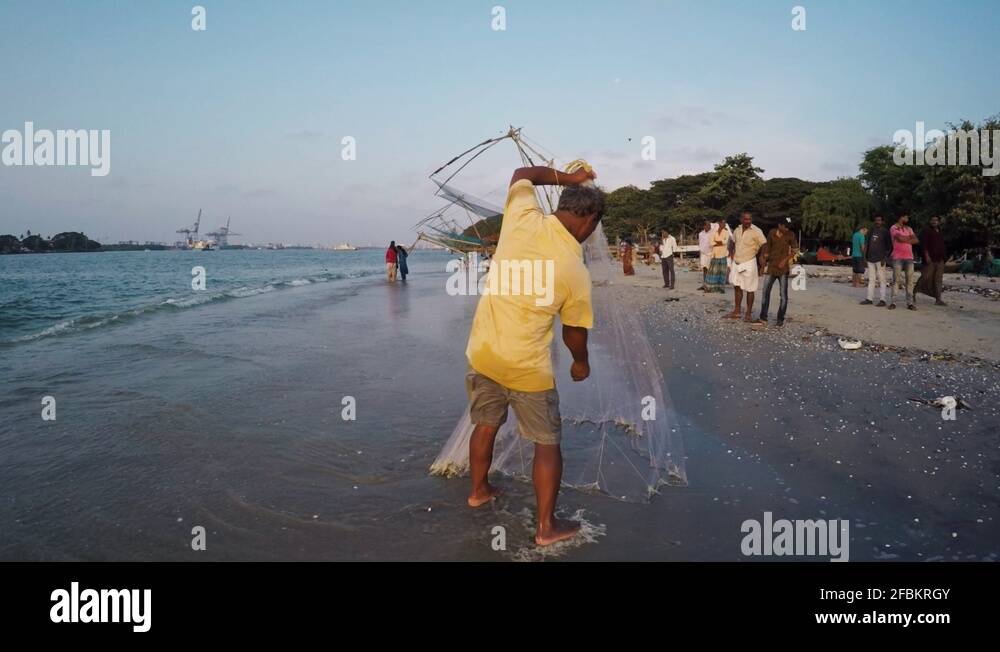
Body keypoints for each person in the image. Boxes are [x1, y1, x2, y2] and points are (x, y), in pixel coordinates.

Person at [464, 164, 603, 547]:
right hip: (527, 368)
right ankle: (545, 528)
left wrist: (572, 178)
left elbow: (522, 171)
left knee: (486, 424)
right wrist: (581, 362)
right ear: (588, 218)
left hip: (484, 352)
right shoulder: (574, 268)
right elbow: (574, 330)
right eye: (594, 226)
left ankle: (479, 491)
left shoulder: (520, 218)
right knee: (546, 442)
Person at [756, 218, 799, 326]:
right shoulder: (772, 233)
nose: (787, 228)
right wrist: (762, 265)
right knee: (765, 292)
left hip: (783, 269)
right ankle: (763, 317)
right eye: (785, 226)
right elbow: (767, 248)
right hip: (771, 267)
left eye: (788, 226)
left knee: (783, 295)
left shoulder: (791, 234)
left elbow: (795, 250)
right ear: (779, 225)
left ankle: (780, 319)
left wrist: (785, 260)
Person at [726, 210, 767, 321]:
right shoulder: (737, 230)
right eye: (746, 219)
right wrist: (730, 255)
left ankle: (748, 313)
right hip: (737, 262)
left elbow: (764, 245)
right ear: (741, 219)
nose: (748, 221)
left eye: (750, 219)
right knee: (737, 287)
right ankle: (737, 311)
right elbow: (732, 242)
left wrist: (762, 260)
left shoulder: (757, 231)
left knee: (750, 289)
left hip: (749, 262)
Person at [889, 213, 919, 310]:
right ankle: (893, 302)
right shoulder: (893, 227)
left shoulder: (909, 228)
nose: (907, 218)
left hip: (909, 257)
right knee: (896, 280)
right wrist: (909, 238)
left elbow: (916, 240)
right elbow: (899, 238)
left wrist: (905, 239)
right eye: (906, 217)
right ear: (901, 217)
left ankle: (910, 303)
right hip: (897, 257)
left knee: (910, 281)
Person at [861, 215, 891, 306]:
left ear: (882, 222)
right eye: (876, 220)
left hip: (880, 259)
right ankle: (869, 299)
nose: (877, 222)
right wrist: (864, 257)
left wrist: (885, 258)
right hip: (870, 258)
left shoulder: (885, 232)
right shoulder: (871, 231)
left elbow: (889, 247)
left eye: (879, 220)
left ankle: (882, 300)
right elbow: (866, 244)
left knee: (882, 279)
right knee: (871, 279)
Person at [917, 216, 947, 306]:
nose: (934, 222)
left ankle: (938, 299)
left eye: (936, 220)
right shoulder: (926, 231)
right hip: (930, 259)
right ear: (930, 221)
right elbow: (923, 244)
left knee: (938, 280)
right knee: (925, 277)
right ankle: (914, 291)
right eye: (932, 220)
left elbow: (942, 245)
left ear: (939, 222)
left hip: (940, 259)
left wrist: (945, 258)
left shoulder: (940, 231)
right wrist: (926, 255)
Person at [705, 217, 731, 293]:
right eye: (723, 222)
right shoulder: (714, 231)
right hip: (715, 254)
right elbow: (711, 243)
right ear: (719, 223)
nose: (724, 224)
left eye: (725, 223)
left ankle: (721, 288)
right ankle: (711, 288)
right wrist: (719, 242)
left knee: (722, 272)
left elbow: (725, 242)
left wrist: (716, 242)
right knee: (713, 272)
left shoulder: (726, 232)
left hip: (723, 254)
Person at [698, 220, 712, 289]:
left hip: (710, 254)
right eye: (707, 225)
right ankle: (704, 284)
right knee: (704, 269)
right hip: (703, 254)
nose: (709, 226)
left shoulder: (712, 233)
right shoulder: (700, 234)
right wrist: (700, 254)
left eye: (709, 225)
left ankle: (709, 285)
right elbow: (700, 244)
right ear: (704, 226)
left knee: (710, 269)